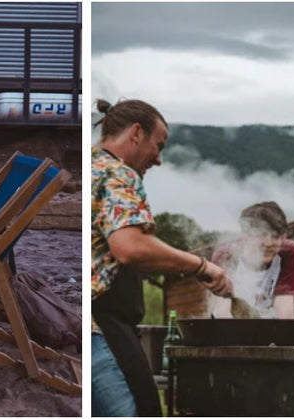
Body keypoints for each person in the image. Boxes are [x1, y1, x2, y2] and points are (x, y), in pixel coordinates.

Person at [91, 98, 233, 416]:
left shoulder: (92, 165)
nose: (159, 160)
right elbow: (129, 246)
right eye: (159, 145)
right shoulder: (119, 174)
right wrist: (201, 265)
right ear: (137, 134)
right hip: (100, 327)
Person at [210, 202, 294, 319]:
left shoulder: (289, 253)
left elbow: (284, 308)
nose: (269, 243)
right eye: (261, 235)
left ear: (284, 236)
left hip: (269, 325)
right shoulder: (225, 256)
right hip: (231, 322)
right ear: (245, 235)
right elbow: (223, 311)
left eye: (275, 236)